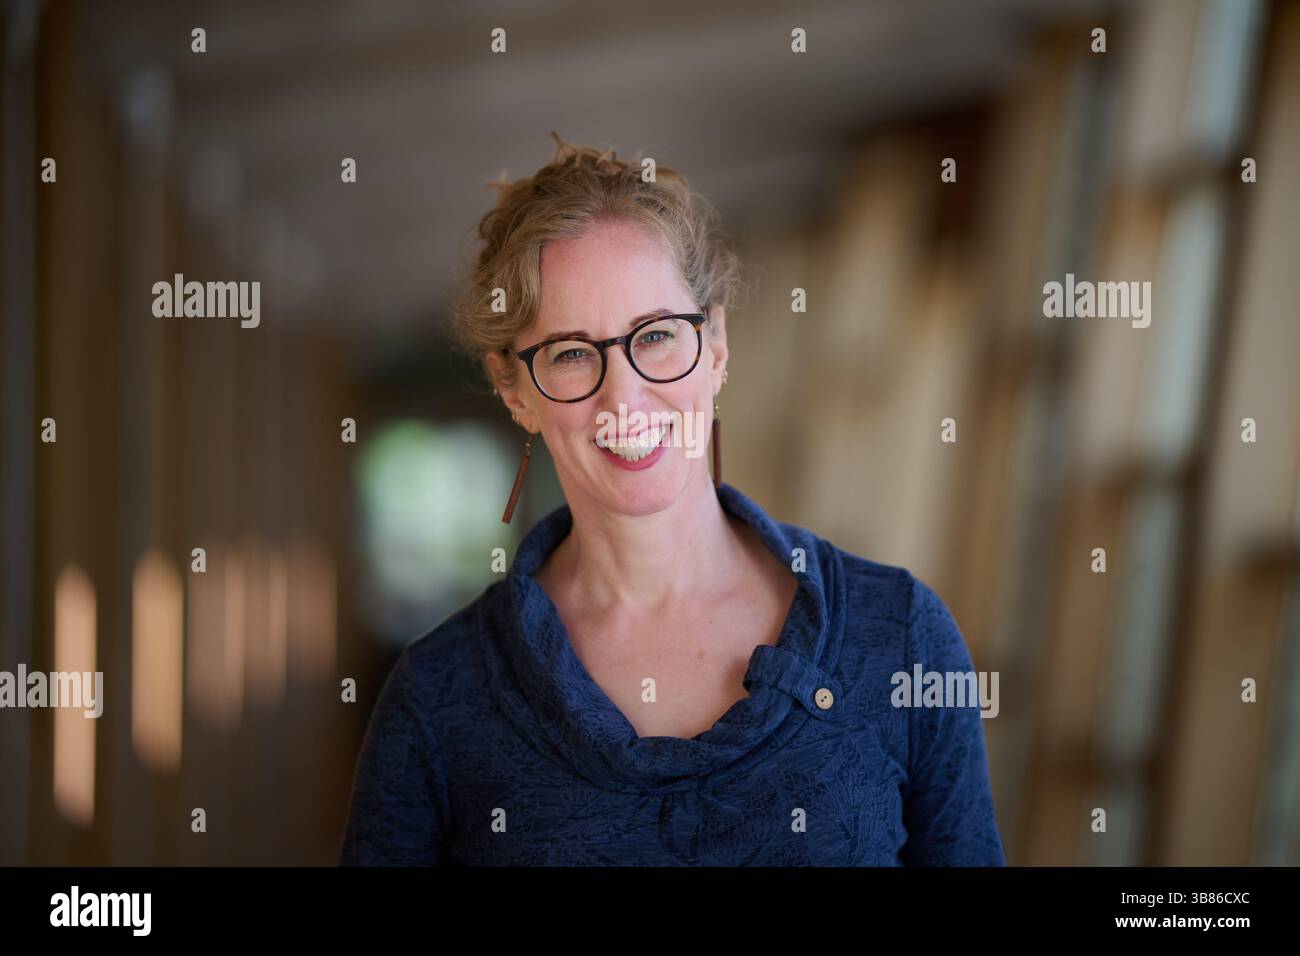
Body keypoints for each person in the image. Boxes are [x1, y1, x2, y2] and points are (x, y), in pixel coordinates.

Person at [339, 134, 1006, 865]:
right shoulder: (440, 698)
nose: (624, 397)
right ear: (513, 390)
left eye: (654, 336)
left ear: (715, 344)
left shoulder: (901, 635)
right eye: (569, 353)